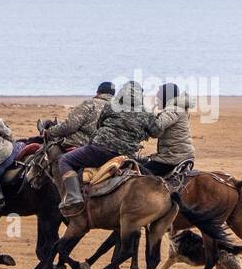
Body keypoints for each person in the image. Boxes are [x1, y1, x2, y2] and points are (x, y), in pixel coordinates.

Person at [55, 81, 156, 214]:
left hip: (100, 150)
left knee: (64, 160)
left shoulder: (112, 105)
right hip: (127, 155)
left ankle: (73, 197)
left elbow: (100, 124)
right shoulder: (146, 113)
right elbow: (154, 132)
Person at [145, 82, 195, 177]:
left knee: (140, 173)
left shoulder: (173, 109)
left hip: (173, 158)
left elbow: (157, 128)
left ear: (165, 98)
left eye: (158, 99)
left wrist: (149, 115)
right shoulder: (177, 108)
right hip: (181, 154)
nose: (157, 101)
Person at [45, 81, 115, 148]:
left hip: (81, 144)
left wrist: (50, 132)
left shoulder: (90, 104)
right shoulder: (118, 109)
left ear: (98, 92)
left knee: (51, 149)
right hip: (107, 148)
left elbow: (70, 126)